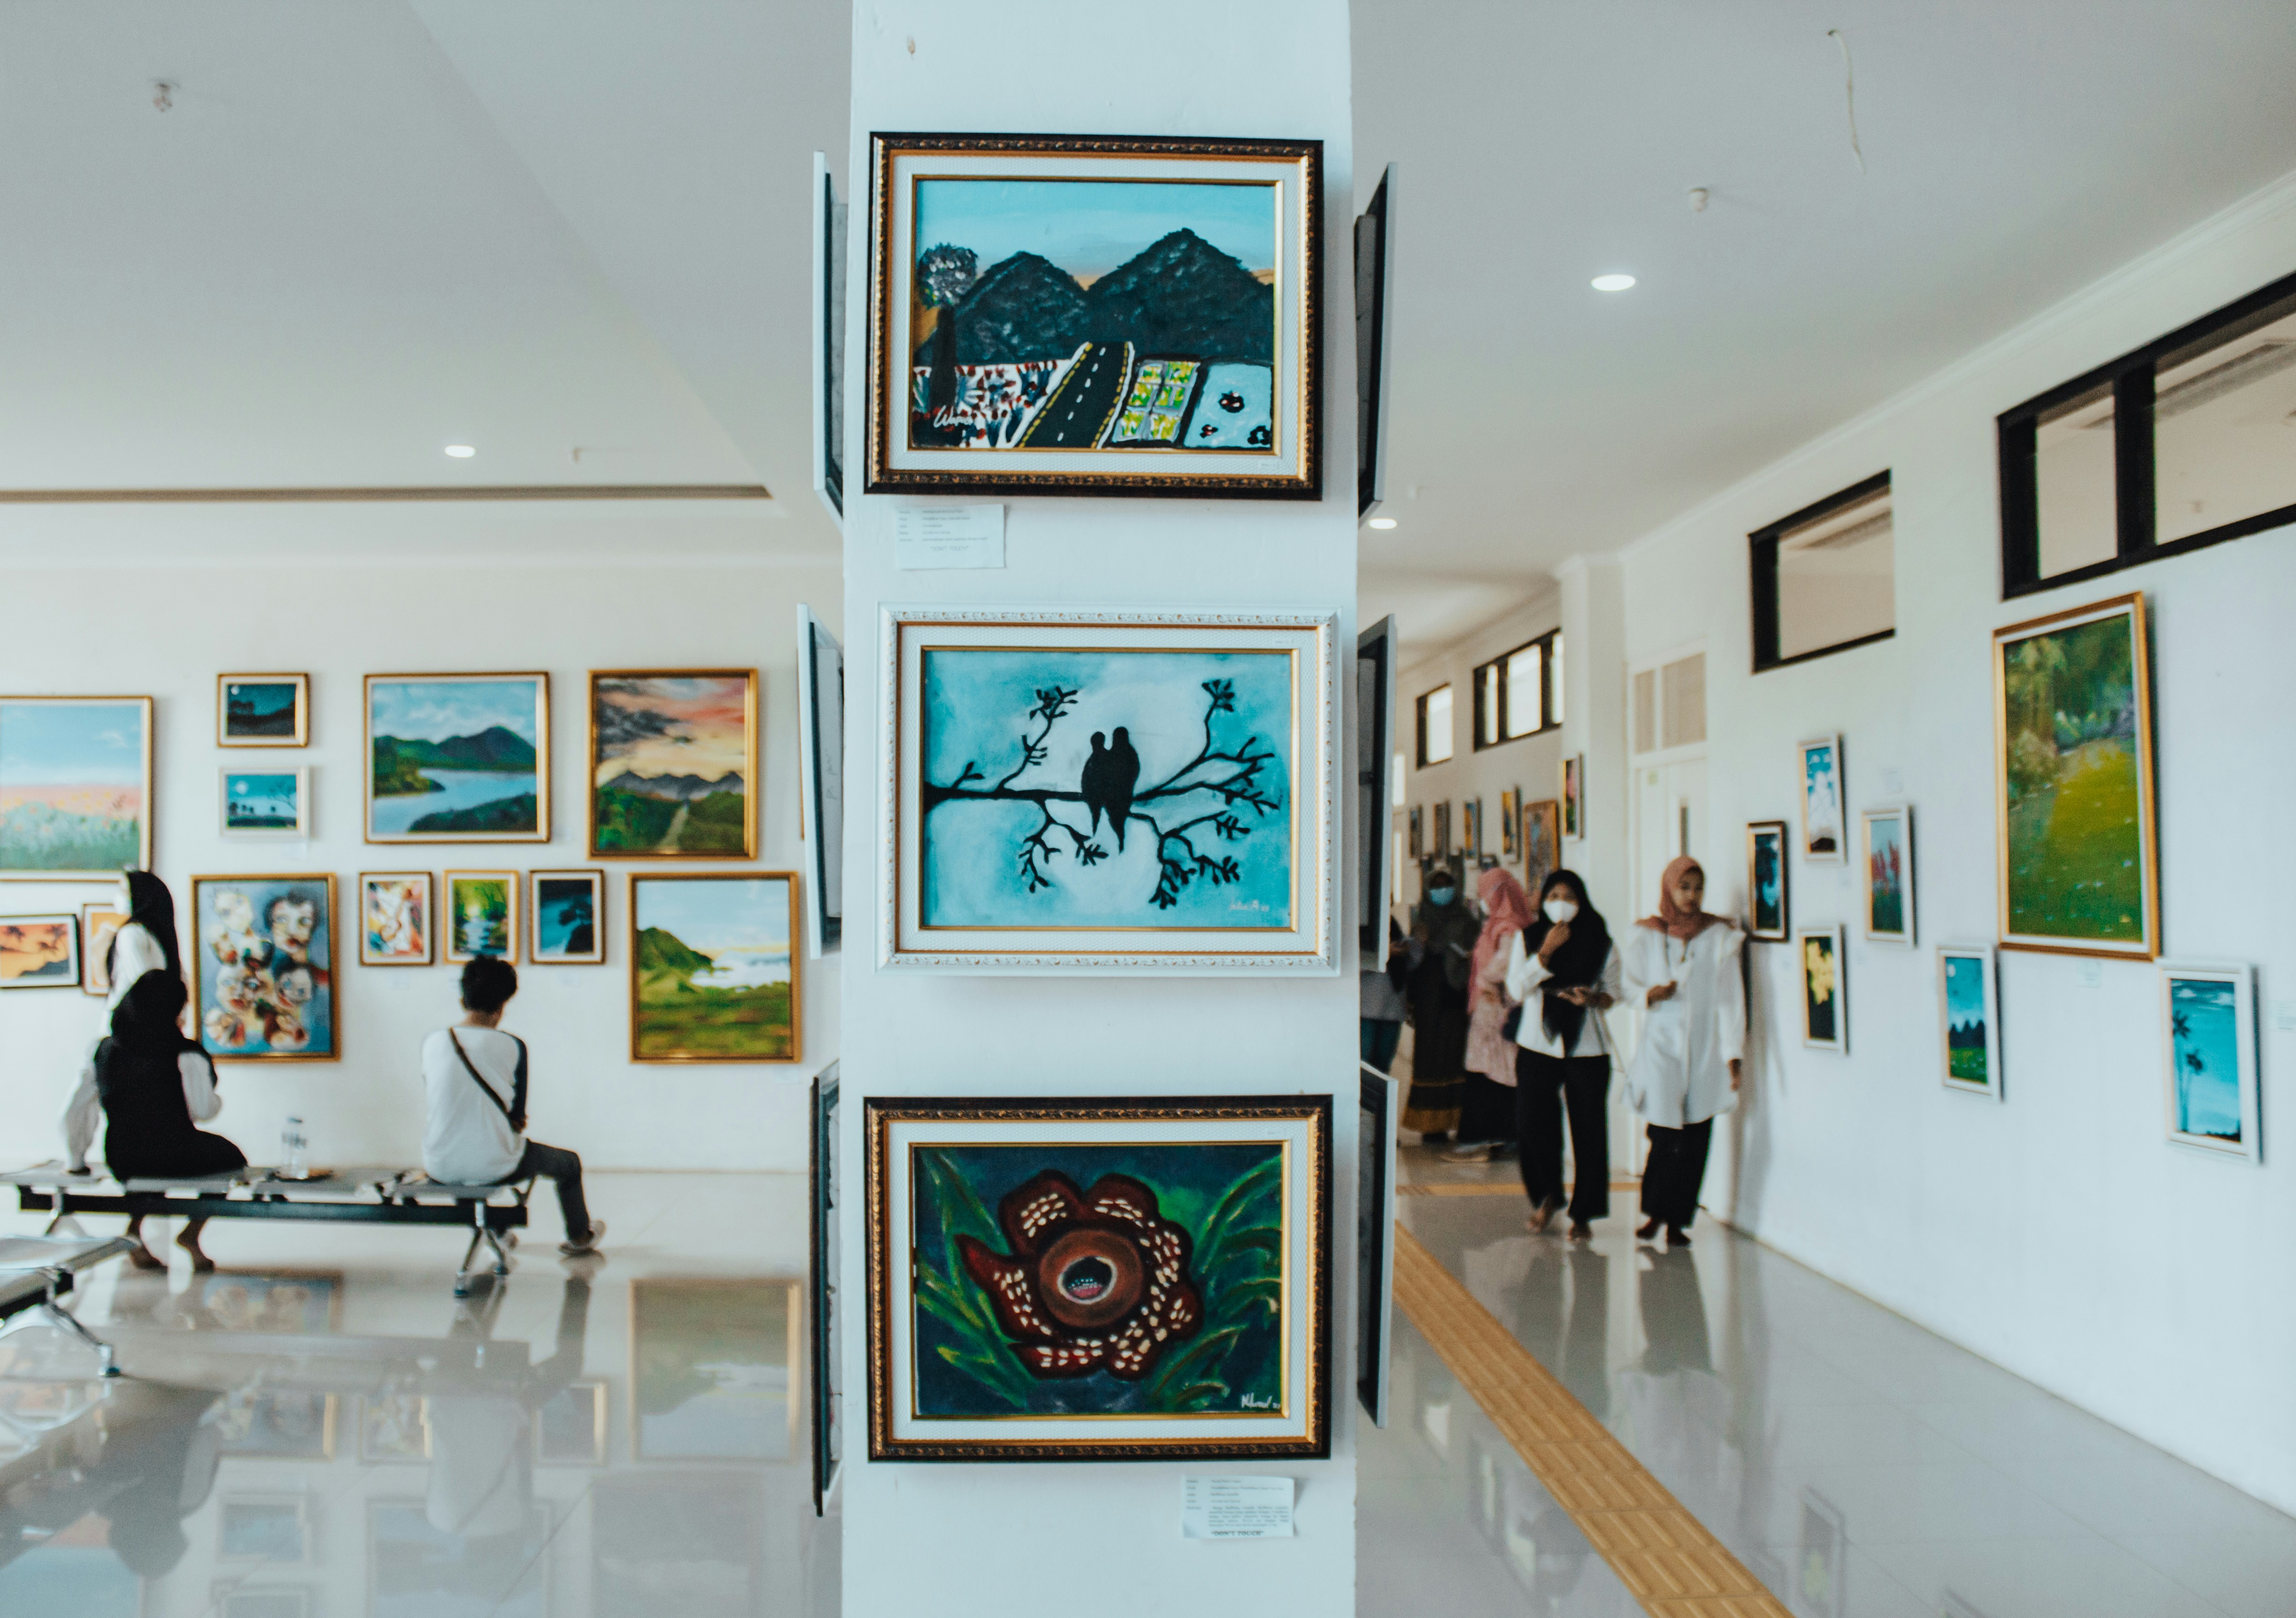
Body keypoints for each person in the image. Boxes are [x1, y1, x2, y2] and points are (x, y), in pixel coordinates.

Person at [424, 956, 605, 1255]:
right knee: (568, 1164)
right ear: (503, 1005)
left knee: (462, 1167)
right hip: (496, 1163)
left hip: (440, 1164)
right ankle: (579, 1237)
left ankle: (497, 1233)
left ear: (462, 999)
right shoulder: (512, 1046)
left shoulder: (433, 1043)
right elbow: (518, 1119)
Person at [1622, 856, 1745, 1247]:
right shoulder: (1648, 935)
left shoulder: (1719, 936)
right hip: (1661, 1047)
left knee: (1695, 1135)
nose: (1691, 896)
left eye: (1697, 888)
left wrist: (1733, 1053)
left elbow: (1731, 998)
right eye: (1684, 887)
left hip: (1704, 1050)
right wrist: (1649, 995)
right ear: (1669, 889)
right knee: (1663, 1133)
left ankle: (1678, 1221)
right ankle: (1655, 1213)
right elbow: (1626, 985)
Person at [94, 972, 246, 1270]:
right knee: (233, 1159)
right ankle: (191, 1234)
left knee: (145, 1158)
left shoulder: (104, 1050)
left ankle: (135, 1233)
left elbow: (75, 1111)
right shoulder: (186, 1055)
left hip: (121, 1154)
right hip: (172, 1149)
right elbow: (204, 1111)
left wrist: (74, 1162)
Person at [1504, 869, 1622, 1239]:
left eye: (1569, 897)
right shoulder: (1527, 938)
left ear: (1582, 901)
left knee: (1588, 1128)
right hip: (1538, 1041)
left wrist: (1593, 998)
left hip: (1586, 1045)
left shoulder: (1601, 941)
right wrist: (1545, 953)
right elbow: (1516, 989)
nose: (1561, 904)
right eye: (1554, 895)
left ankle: (1583, 1213)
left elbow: (1613, 993)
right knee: (1531, 1124)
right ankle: (1547, 1196)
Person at [62, 871, 181, 1174]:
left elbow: (144, 990)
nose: (117, 897)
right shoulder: (159, 936)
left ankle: (74, 1159)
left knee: (84, 1094)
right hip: (147, 1038)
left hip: (121, 1035)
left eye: (122, 890)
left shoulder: (132, 935)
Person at [1451, 867, 1535, 1163]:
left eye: (1487, 894)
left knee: (1495, 1072)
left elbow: (1505, 964)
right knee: (1491, 1071)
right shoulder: (1495, 926)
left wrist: (1486, 981)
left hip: (1498, 1008)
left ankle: (1489, 1139)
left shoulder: (1509, 928)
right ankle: (1496, 1138)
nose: (1484, 900)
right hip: (1490, 1008)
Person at [1398, 864, 1478, 1142]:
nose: (1441, 891)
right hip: (1429, 998)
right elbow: (1412, 963)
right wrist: (1418, 942)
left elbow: (1475, 957)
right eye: (1436, 886)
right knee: (1429, 1057)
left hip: (1457, 996)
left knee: (1456, 1057)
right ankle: (1432, 1125)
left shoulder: (1467, 922)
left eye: (1446, 885)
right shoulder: (1422, 920)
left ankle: (1459, 1119)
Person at [1359, 917, 1409, 1074]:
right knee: (1364, 1065)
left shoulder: (1394, 925)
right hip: (1367, 1011)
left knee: (1383, 1068)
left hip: (1393, 1011)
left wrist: (1415, 945)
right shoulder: (1363, 927)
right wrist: (1384, 952)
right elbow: (1355, 965)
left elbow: (1411, 965)